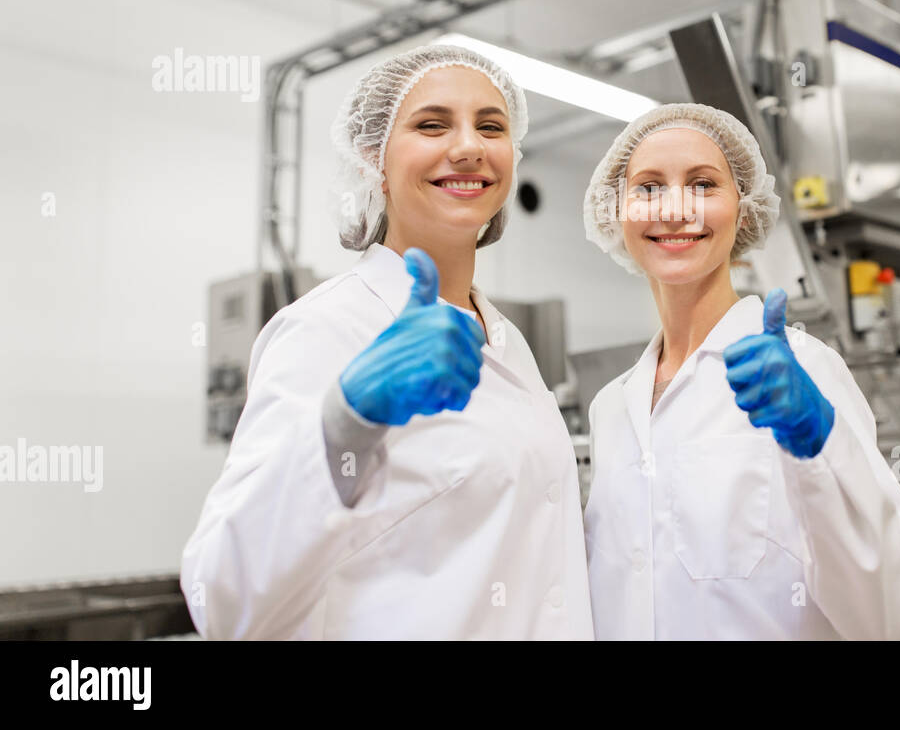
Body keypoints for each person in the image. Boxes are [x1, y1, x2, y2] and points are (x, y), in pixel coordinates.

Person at [181, 44, 592, 639]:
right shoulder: (326, 331)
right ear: (373, 157)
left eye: (491, 126)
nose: (469, 146)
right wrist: (347, 421)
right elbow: (224, 600)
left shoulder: (510, 345)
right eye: (431, 125)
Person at [580, 103, 900, 640]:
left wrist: (820, 447)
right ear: (615, 212)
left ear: (743, 211)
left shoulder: (803, 369)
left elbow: (893, 620)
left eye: (702, 184)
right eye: (648, 187)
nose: (675, 210)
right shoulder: (611, 407)